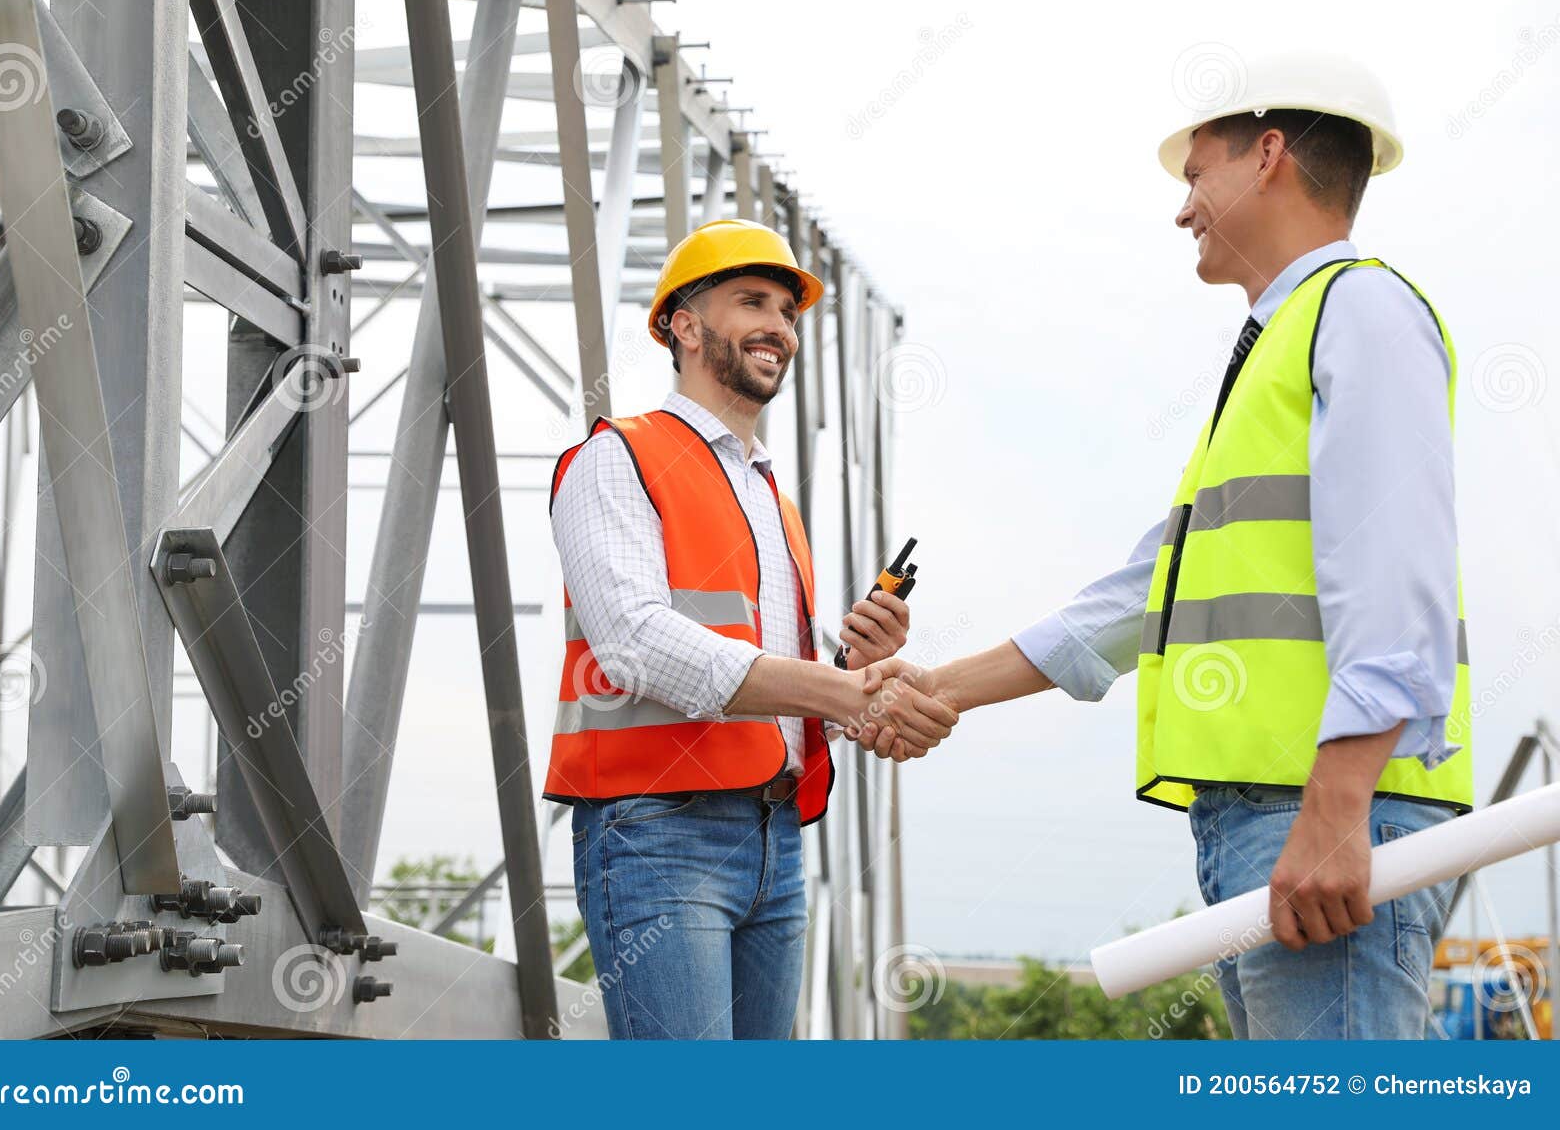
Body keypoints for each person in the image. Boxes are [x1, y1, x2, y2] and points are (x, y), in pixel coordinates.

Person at [863, 53, 1474, 1039]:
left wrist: (1335, 804)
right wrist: (942, 687)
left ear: (1267, 153)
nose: (1181, 207)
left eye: (1194, 174)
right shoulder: (1274, 354)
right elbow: (1144, 593)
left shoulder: (1357, 308)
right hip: (1262, 817)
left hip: (1323, 810)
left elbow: (1394, 564)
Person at [546, 219, 952, 1039]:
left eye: (789, 311)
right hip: (660, 835)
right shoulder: (614, 457)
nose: (779, 325)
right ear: (684, 327)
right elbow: (634, 640)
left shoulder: (775, 501)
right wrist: (838, 686)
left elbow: (768, 694)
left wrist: (853, 678)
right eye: (752, 302)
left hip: (776, 840)